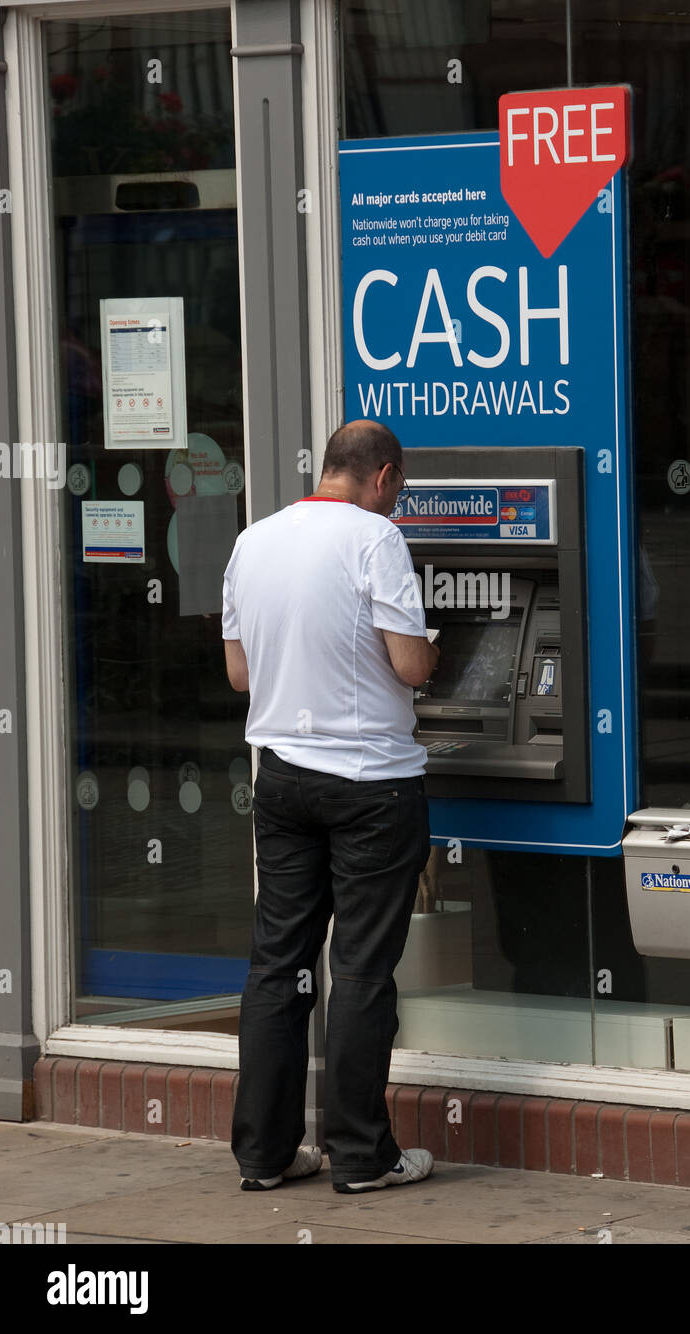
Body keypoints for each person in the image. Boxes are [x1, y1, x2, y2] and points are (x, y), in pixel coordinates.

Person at [221, 420, 440, 1194]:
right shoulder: (375, 539)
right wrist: (435, 650)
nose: (396, 501)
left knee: (277, 967)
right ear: (382, 477)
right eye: (400, 490)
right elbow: (410, 665)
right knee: (360, 972)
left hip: (281, 779)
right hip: (370, 785)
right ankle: (360, 1156)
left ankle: (267, 1155)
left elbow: (240, 674)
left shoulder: (254, 540)